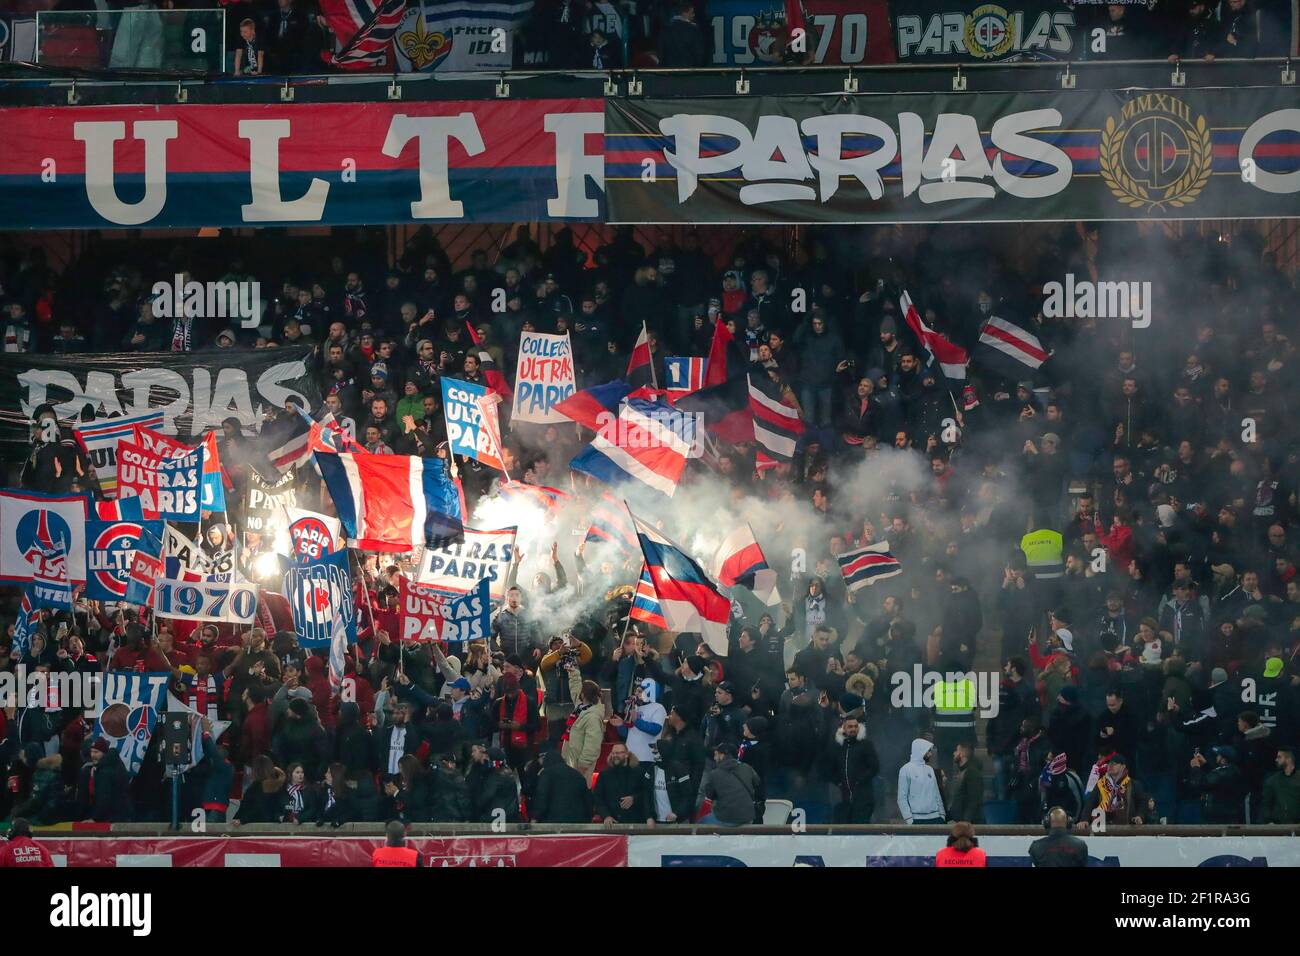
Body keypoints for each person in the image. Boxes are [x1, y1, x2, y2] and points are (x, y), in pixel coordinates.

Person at [823, 709, 879, 823]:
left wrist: (860, 780)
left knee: (860, 830)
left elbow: (874, 767)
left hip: (863, 798)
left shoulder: (866, 745)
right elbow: (829, 768)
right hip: (843, 799)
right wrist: (838, 782)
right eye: (850, 726)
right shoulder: (838, 746)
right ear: (844, 728)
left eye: (855, 726)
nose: (853, 729)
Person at [700, 743, 762, 826]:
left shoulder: (714, 774)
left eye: (716, 755)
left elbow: (709, 795)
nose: (714, 758)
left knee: (701, 822)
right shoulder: (747, 767)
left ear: (722, 756)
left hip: (727, 818)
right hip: (748, 816)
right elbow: (758, 783)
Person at [898, 738, 946, 824]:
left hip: (936, 817)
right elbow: (902, 798)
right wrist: (909, 819)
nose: (930, 754)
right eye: (928, 751)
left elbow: (937, 794)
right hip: (916, 819)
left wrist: (942, 815)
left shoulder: (930, 769)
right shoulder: (905, 769)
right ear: (921, 750)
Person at [946, 741, 985, 824]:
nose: (954, 753)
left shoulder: (972, 773)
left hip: (969, 824)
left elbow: (973, 799)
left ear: (962, 753)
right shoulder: (963, 771)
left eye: (956, 750)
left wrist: (966, 821)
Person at [1261, 746, 1300, 824]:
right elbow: (1266, 804)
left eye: (1279, 757)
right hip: (1279, 826)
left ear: (1288, 759)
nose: (1276, 760)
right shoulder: (1272, 781)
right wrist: (1269, 821)